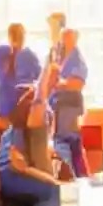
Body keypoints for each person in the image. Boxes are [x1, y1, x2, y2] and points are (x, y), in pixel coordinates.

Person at [0, 88, 64, 206]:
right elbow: (18, 166)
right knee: (50, 189)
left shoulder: (17, 129)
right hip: (8, 177)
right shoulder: (18, 132)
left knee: (47, 185)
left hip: (8, 176)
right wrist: (48, 179)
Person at [43, 27, 89, 177]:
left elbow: (78, 83)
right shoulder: (58, 56)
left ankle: (70, 174)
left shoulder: (77, 60)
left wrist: (59, 83)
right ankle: (77, 175)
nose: (63, 41)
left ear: (74, 39)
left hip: (70, 107)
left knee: (66, 141)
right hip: (57, 106)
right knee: (68, 144)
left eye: (67, 37)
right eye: (62, 37)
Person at [0, 23, 42, 118]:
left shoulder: (30, 56)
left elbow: (39, 78)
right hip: (9, 104)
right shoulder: (1, 51)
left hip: (20, 104)